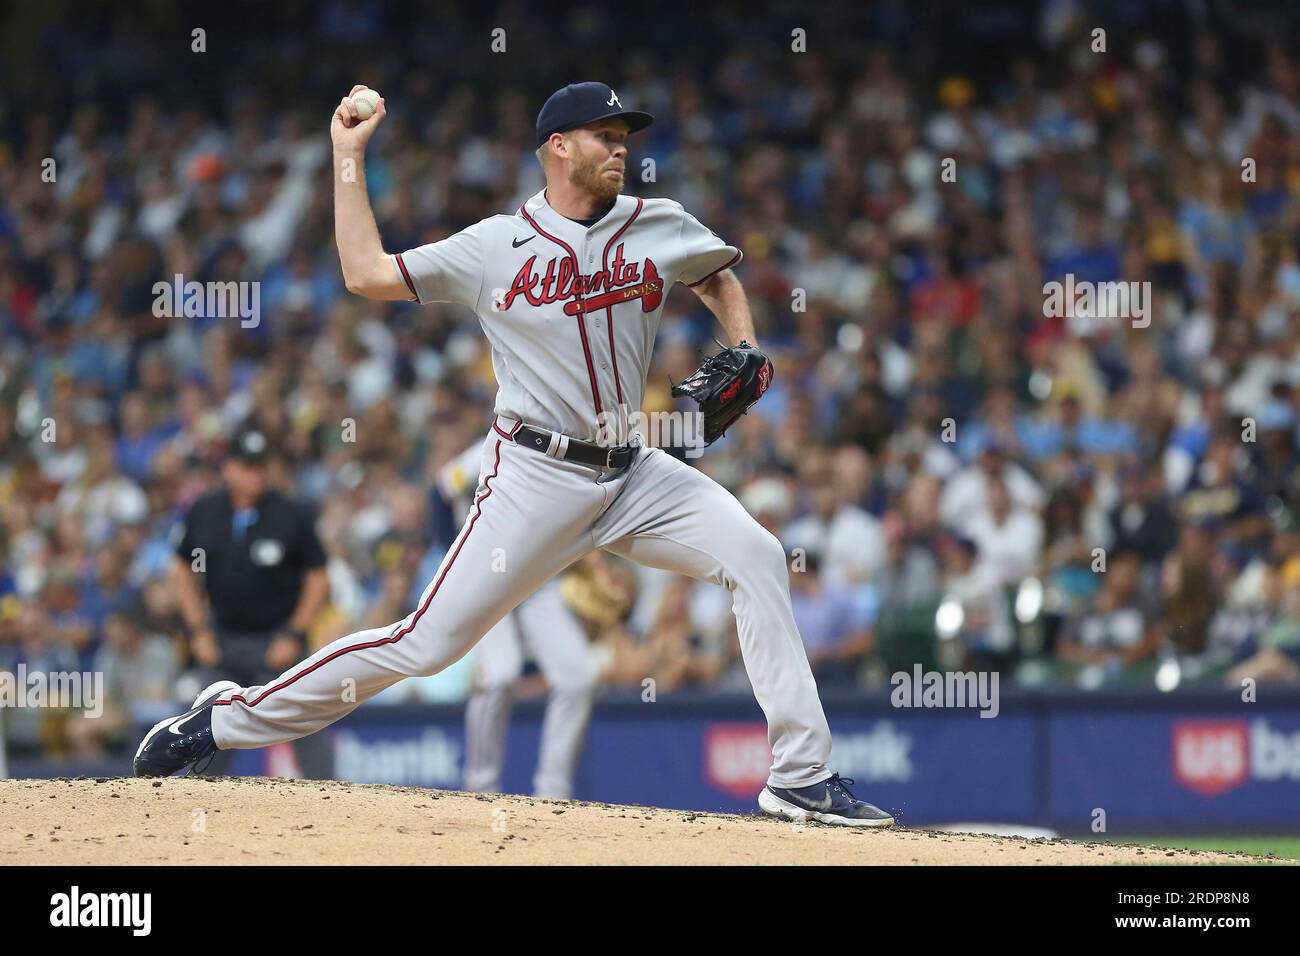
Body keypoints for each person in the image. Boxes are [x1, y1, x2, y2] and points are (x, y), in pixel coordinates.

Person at [135, 81, 892, 827]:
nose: (621, 149)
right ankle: (223, 720)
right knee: (425, 644)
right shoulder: (495, 246)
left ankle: (800, 777)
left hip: (635, 471)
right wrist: (346, 155)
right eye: (605, 136)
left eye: (626, 137)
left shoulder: (658, 223)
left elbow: (717, 276)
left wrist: (747, 344)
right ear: (557, 147)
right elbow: (365, 273)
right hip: (535, 476)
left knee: (757, 555)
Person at [163, 426, 332, 775]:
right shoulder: (206, 511)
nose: (255, 474)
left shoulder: (290, 513)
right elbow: (181, 569)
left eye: (260, 466)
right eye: (247, 466)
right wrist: (198, 630)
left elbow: (318, 577)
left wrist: (295, 633)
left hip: (276, 641)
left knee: (306, 721)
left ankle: (330, 800)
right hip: (222, 638)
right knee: (205, 726)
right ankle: (195, 804)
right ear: (229, 468)